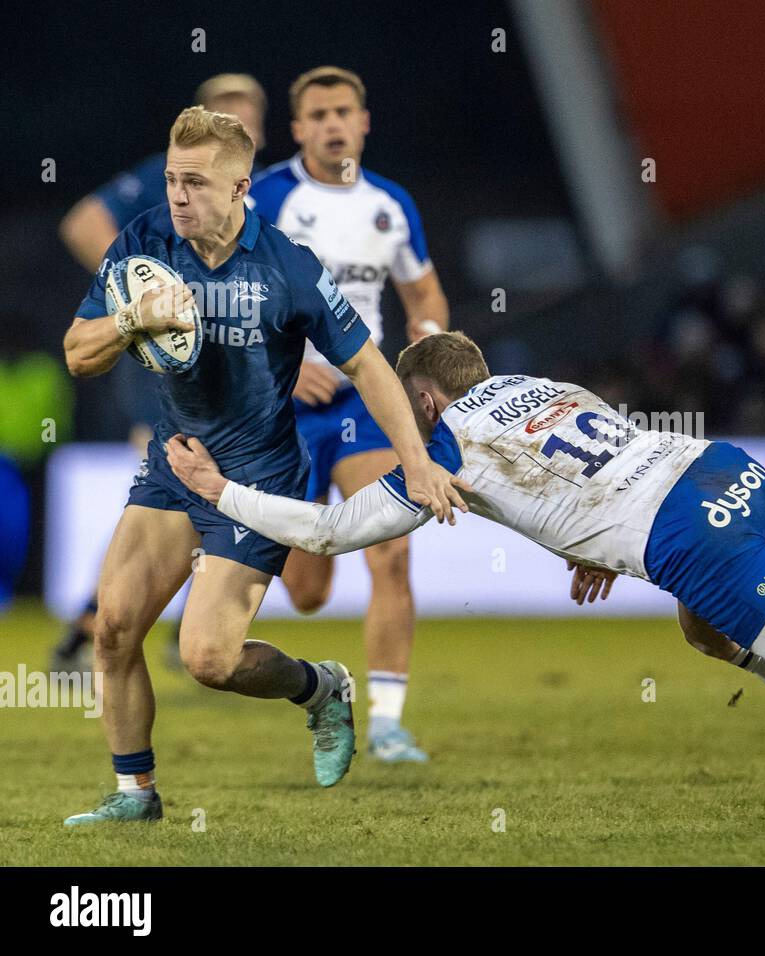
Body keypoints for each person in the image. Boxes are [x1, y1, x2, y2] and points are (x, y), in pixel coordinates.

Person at [166, 330, 765, 814]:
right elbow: (586, 472)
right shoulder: (546, 386)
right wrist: (593, 547)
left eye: (401, 406)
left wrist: (222, 490)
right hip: (725, 475)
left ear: (421, 397)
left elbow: (332, 532)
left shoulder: (444, 443)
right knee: (702, 629)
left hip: (689, 533)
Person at [60, 106, 465, 825]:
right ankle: (135, 796)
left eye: (195, 183)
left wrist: (418, 462)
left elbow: (369, 365)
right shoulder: (146, 241)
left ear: (241, 186)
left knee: (209, 661)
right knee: (116, 625)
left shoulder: (286, 265)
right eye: (171, 180)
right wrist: (131, 321)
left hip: (256, 476)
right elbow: (77, 352)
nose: (178, 196)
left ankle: (318, 687)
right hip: (175, 465)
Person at [247, 66, 451, 762]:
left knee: (392, 549)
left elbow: (423, 293)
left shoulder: (391, 204)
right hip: (285, 413)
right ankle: (324, 685)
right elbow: (229, 288)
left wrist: (426, 346)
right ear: (297, 129)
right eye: (319, 114)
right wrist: (282, 358)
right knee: (305, 590)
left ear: (364, 122)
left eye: (344, 112)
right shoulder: (267, 195)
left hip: (362, 405)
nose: (333, 124)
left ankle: (390, 724)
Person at [52, 74, 270, 677]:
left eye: (246, 113)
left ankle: (147, 629)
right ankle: (97, 630)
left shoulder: (264, 195)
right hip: (167, 374)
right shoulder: (164, 177)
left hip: (231, 384)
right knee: (173, 495)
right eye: (225, 110)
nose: (236, 121)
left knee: (187, 501)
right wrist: (139, 292)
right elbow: (82, 222)